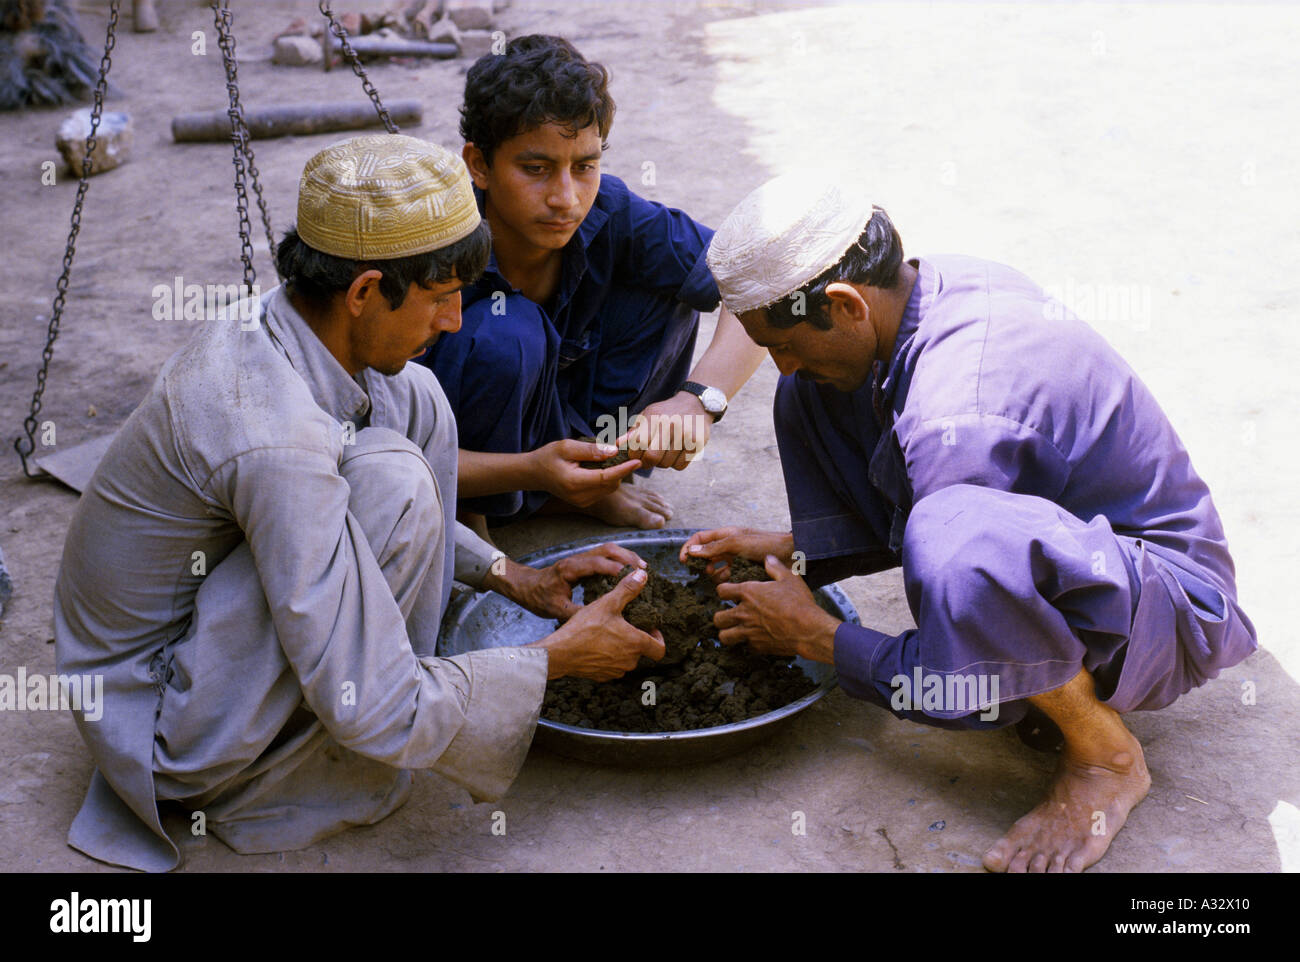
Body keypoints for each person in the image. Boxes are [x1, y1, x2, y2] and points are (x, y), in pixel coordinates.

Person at [54, 134, 664, 872]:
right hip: (161, 719)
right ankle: (299, 753)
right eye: (442, 299)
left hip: (206, 634)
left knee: (417, 399)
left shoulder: (294, 328)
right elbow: (369, 702)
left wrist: (513, 576)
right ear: (365, 291)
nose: (454, 323)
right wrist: (551, 662)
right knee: (395, 478)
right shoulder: (271, 435)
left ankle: (406, 674)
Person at [684, 173, 1257, 873]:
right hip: (1074, 542)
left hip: (1173, 609)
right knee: (815, 391)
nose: (779, 362)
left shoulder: (961, 413)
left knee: (955, 546)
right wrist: (798, 549)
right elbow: (935, 485)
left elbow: (962, 690)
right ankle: (1045, 663)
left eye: (782, 340)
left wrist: (824, 639)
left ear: (843, 303)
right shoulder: (922, 290)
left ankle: (1103, 757)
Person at [418, 35, 766, 533]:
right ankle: (483, 515)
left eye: (584, 167)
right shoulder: (433, 240)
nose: (565, 198)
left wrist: (698, 398)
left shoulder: (612, 212)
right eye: (535, 169)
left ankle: (590, 479)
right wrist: (525, 471)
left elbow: (755, 280)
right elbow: (388, 452)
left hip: (561, 416)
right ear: (478, 165)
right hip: (457, 460)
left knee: (672, 284)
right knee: (506, 332)